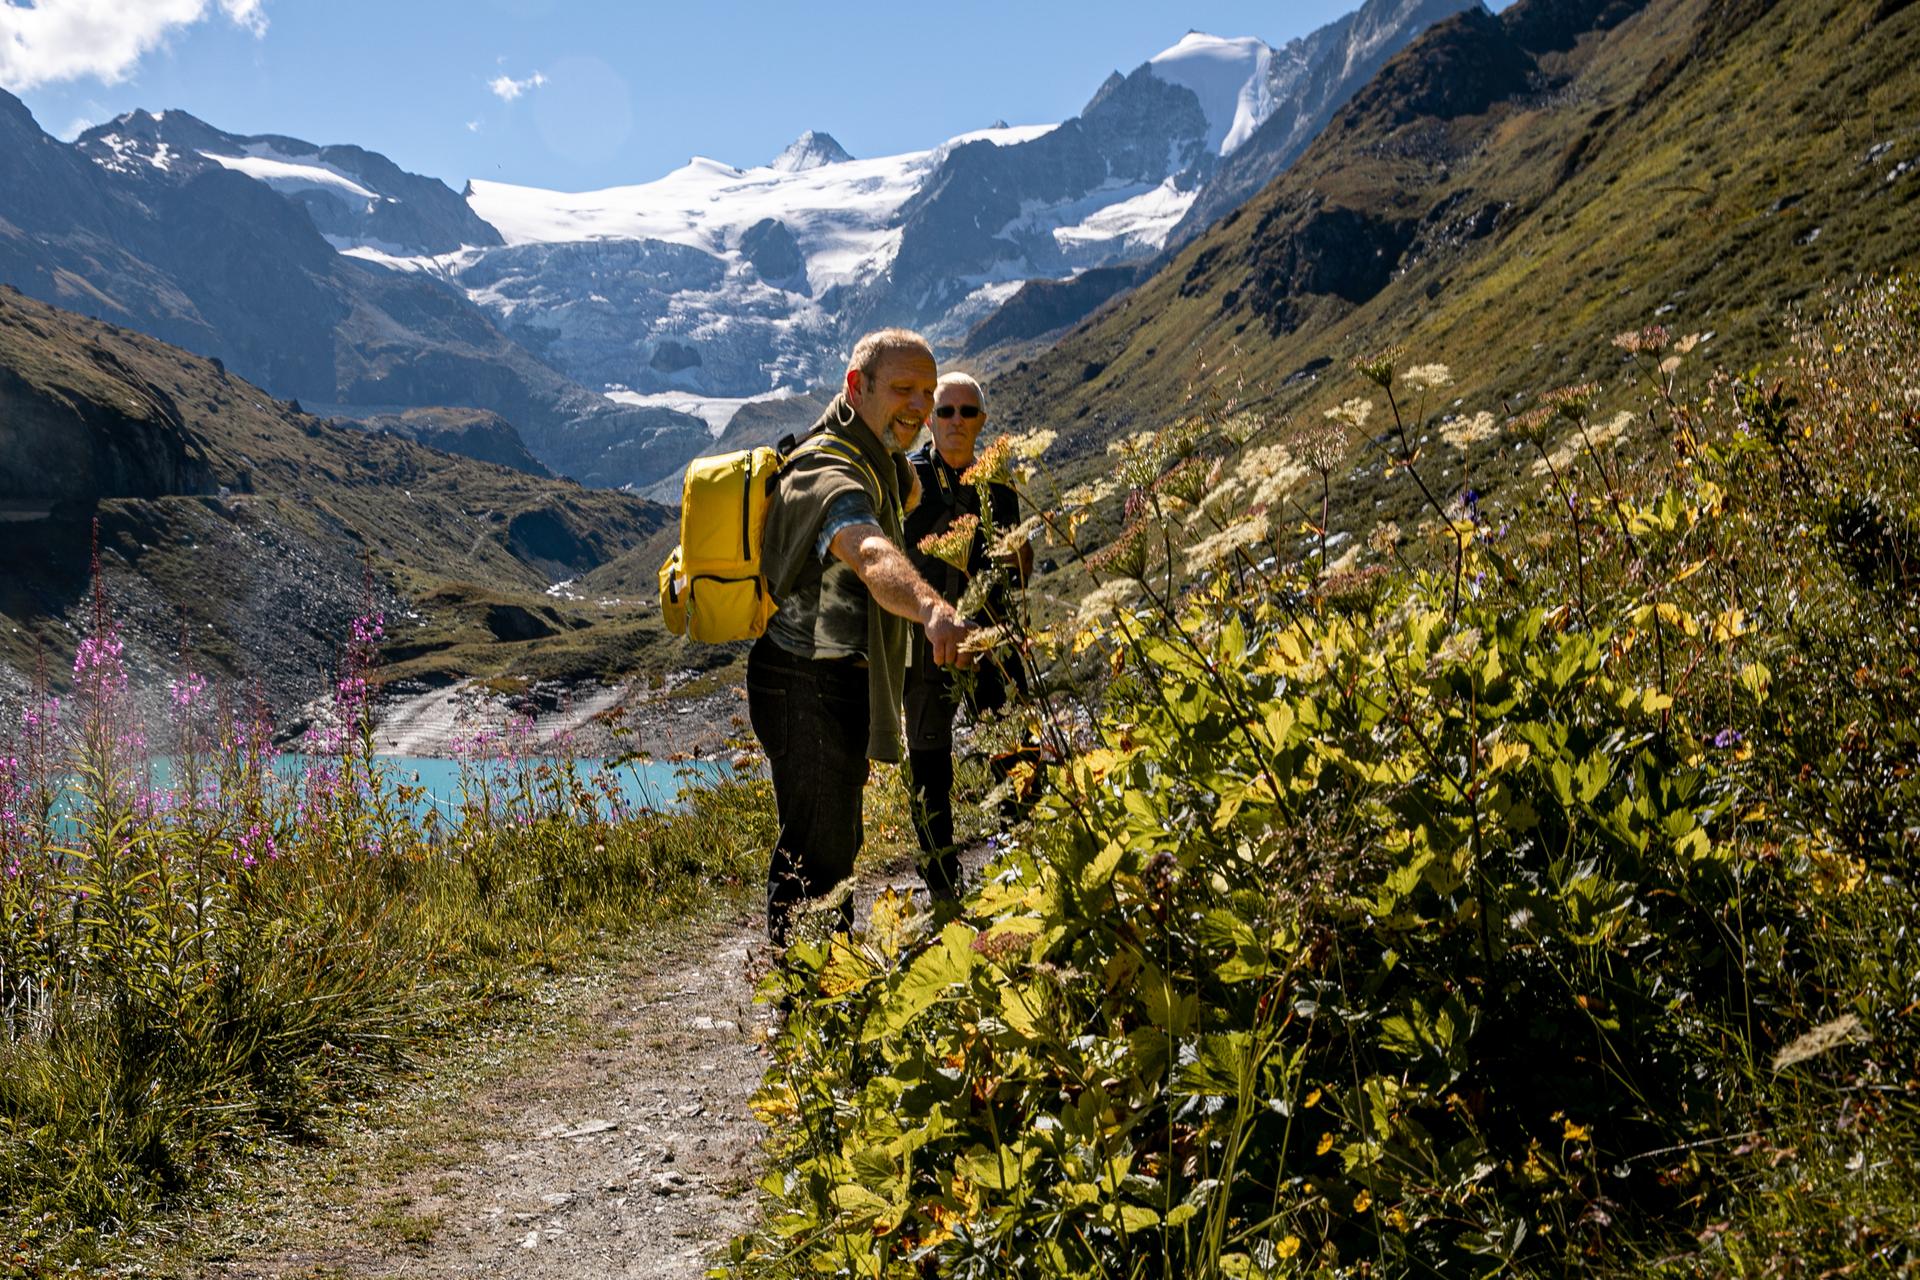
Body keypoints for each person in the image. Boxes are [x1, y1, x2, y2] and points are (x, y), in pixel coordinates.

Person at [749, 329, 972, 945]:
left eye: (929, 392)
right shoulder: (831, 469)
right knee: (817, 861)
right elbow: (869, 551)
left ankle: (822, 998)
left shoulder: (876, 459)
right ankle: (808, 1010)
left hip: (828, 681)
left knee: (834, 843)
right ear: (856, 387)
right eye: (903, 389)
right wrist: (930, 608)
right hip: (805, 683)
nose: (922, 408)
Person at [901, 372, 1032, 901]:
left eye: (968, 412)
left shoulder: (998, 485)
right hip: (926, 648)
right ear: (929, 419)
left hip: (992, 645)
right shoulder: (905, 483)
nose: (957, 421)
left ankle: (1024, 865)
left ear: (982, 422)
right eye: (946, 411)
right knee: (930, 768)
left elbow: (1020, 574)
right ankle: (943, 890)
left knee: (1016, 756)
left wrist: (1016, 549)